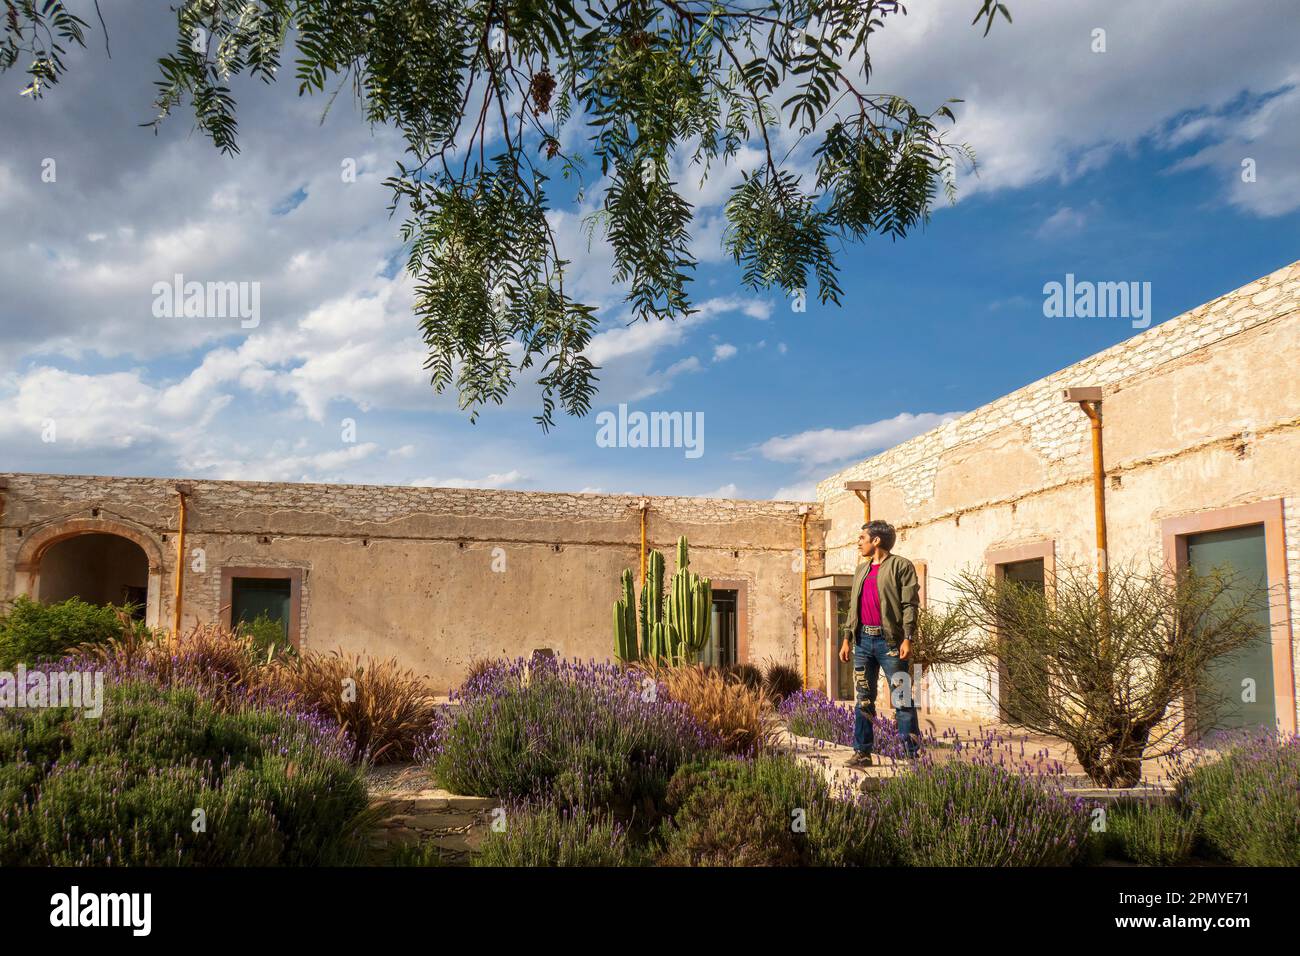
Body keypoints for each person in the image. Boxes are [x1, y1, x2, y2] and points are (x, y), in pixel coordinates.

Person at [839, 519, 921, 766]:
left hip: (891, 644)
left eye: (862, 538)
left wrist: (908, 637)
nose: (859, 543)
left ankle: (911, 756)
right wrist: (846, 638)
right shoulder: (861, 571)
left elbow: (910, 605)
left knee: (902, 698)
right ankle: (862, 752)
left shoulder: (901, 566)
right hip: (862, 642)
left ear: (876, 541)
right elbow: (853, 606)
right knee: (863, 698)